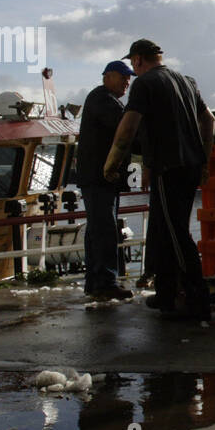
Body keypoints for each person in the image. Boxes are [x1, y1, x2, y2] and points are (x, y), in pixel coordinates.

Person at [103, 39, 215, 320]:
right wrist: (204, 160)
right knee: (165, 232)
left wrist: (112, 163)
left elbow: (128, 127)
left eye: (132, 64)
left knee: (176, 235)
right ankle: (165, 295)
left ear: (138, 60)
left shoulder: (145, 83)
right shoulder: (187, 81)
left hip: (169, 168)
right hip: (189, 166)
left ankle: (197, 301)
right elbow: (209, 120)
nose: (133, 69)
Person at [76, 61, 136, 301]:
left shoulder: (103, 99)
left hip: (97, 178)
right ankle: (105, 283)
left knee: (97, 231)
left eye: (129, 78)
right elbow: (123, 127)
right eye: (123, 77)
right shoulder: (103, 101)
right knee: (105, 231)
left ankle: (95, 282)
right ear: (108, 76)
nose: (127, 82)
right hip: (100, 178)